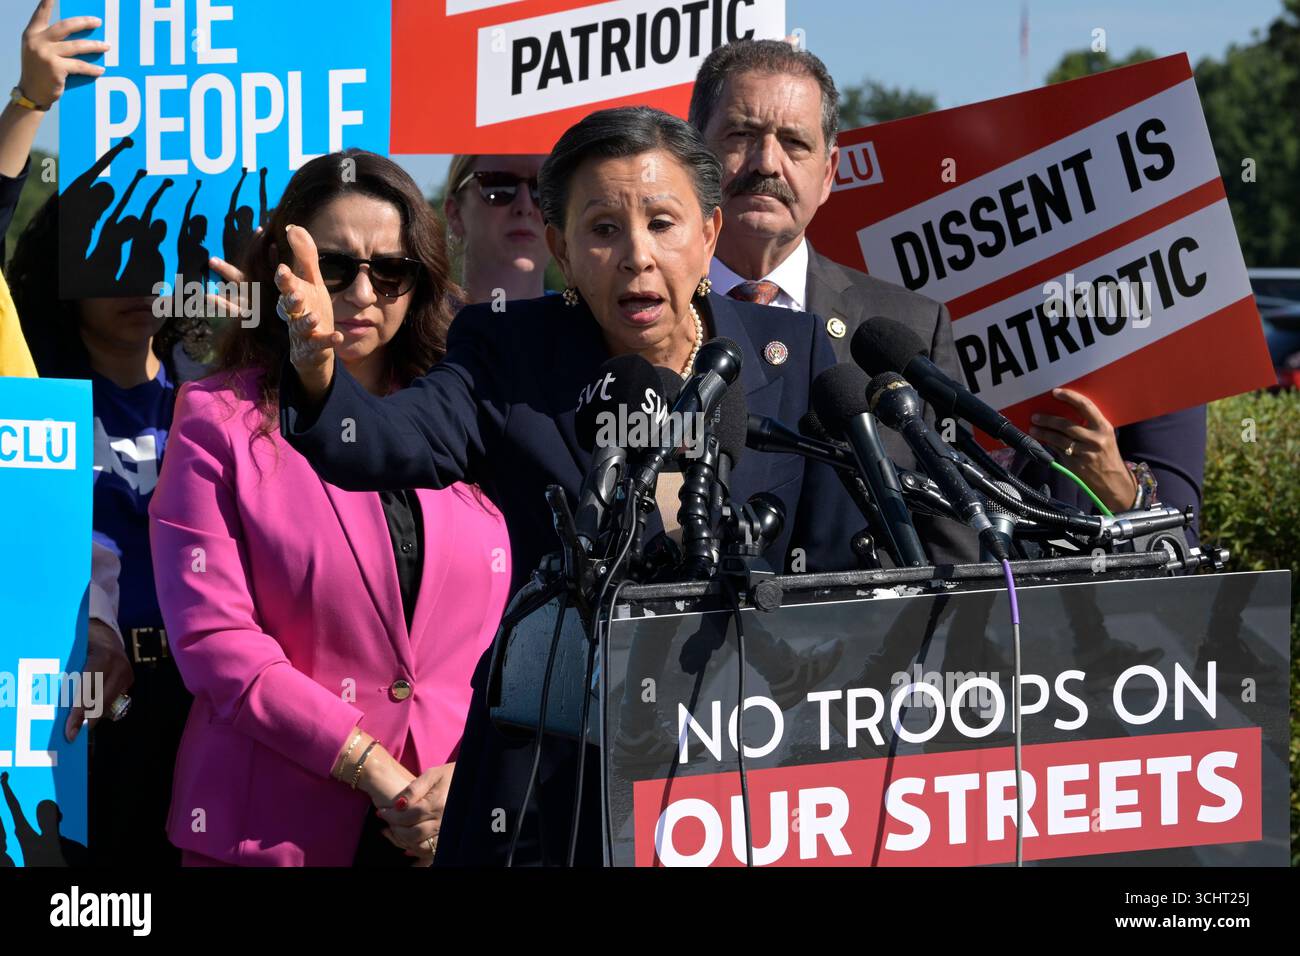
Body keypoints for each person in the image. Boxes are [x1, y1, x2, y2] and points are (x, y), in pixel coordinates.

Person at [275, 106, 864, 865]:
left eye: (663, 223)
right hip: (549, 786)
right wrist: (319, 371)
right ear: (559, 246)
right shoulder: (511, 352)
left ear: (710, 234)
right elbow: (387, 443)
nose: (637, 258)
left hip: (746, 773)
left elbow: (843, 575)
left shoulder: (796, 356)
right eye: (603, 230)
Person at [148, 150, 511, 867]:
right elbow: (217, 644)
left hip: (452, 822)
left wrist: (466, 776)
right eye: (335, 267)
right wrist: (374, 769)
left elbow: (514, 635)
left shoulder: (472, 414)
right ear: (282, 270)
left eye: (392, 270)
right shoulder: (214, 418)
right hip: (276, 834)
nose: (362, 293)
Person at [4, 2, 185, 867]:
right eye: (104, 249)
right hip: (66, 722)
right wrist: (27, 104)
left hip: (208, 719)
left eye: (153, 247)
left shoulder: (228, 405)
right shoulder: (27, 398)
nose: (134, 273)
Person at [689, 39, 979, 565]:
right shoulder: (644, 312)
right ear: (694, 154)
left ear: (828, 173)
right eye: (741, 135)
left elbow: (953, 542)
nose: (766, 163)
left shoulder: (909, 327)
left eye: (794, 143)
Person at [442, 154, 550, 304]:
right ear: (456, 214)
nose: (525, 207)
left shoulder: (588, 324)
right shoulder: (420, 324)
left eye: (544, 189)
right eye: (500, 186)